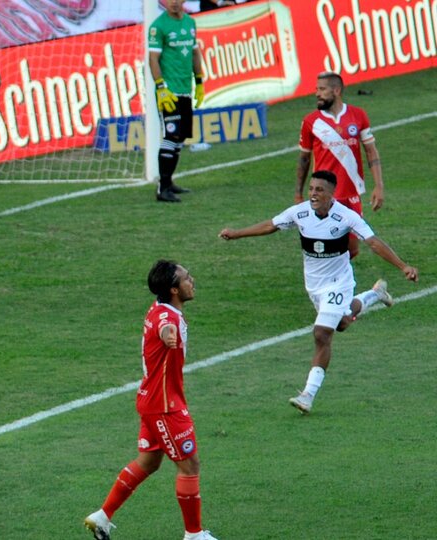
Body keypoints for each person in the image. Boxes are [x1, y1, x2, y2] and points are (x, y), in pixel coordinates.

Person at [220, 171, 418, 414]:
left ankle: (307, 395)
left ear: (331, 193)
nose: (313, 193)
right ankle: (375, 294)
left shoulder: (346, 216)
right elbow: (270, 225)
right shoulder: (300, 212)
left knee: (322, 334)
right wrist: (236, 233)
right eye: (311, 189)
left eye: (319, 190)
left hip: (339, 282)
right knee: (343, 322)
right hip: (314, 285)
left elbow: (373, 242)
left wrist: (403, 266)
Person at [85, 260, 217, 540]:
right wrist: (168, 337)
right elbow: (165, 328)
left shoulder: (159, 308)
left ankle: (102, 517)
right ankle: (194, 535)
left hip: (151, 400)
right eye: (186, 278)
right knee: (189, 465)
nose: (191, 281)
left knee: (148, 462)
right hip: (165, 407)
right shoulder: (166, 319)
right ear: (173, 289)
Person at [297, 71, 384, 259]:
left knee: (352, 250)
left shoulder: (358, 115)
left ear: (336, 90)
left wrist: (379, 186)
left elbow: (371, 151)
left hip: (351, 194)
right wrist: (298, 193)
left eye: (322, 89)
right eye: (316, 89)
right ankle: (330, 285)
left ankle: (338, 284)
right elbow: (304, 159)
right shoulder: (311, 121)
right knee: (330, 248)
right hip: (325, 195)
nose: (317, 93)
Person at [149, 0, 205, 202]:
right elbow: (153, 58)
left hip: (185, 90)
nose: (173, 2)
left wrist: (199, 81)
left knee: (180, 138)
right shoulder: (158, 26)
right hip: (169, 92)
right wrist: (161, 87)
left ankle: (169, 182)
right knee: (171, 136)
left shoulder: (190, 22)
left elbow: (194, 52)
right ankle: (162, 188)